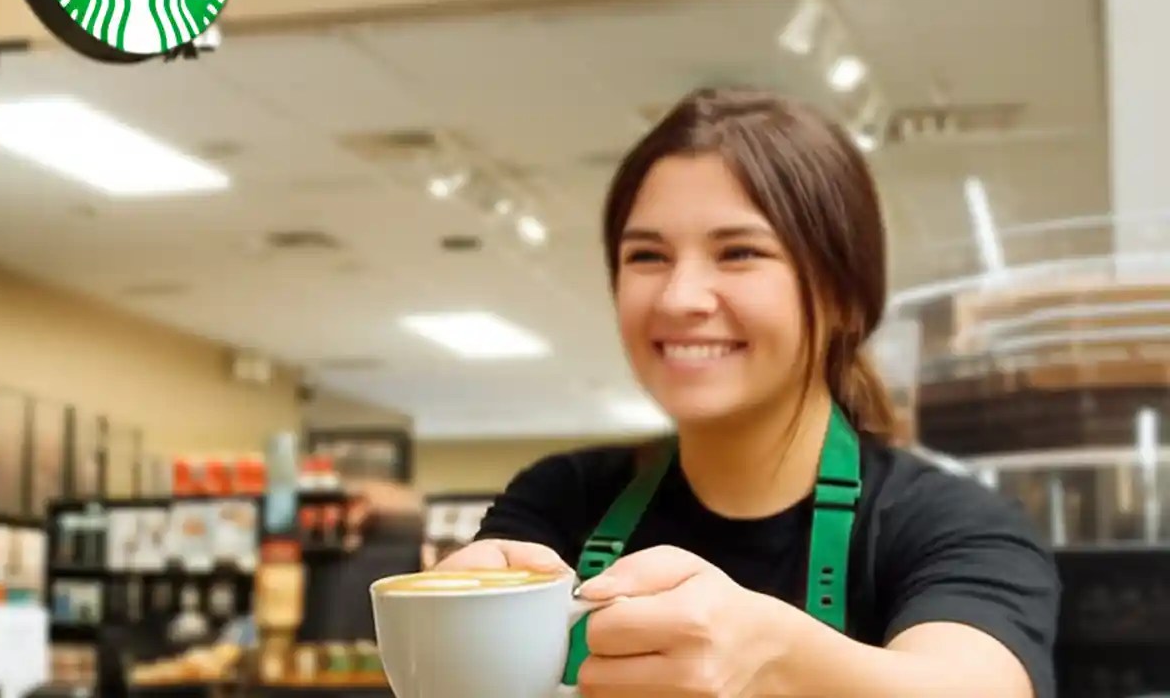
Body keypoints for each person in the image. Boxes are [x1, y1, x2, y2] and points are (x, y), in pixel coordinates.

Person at [435, 87, 1060, 697]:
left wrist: (779, 658)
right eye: (648, 257)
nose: (680, 298)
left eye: (738, 253)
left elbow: (976, 684)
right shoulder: (562, 500)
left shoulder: (948, 523)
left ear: (844, 298)